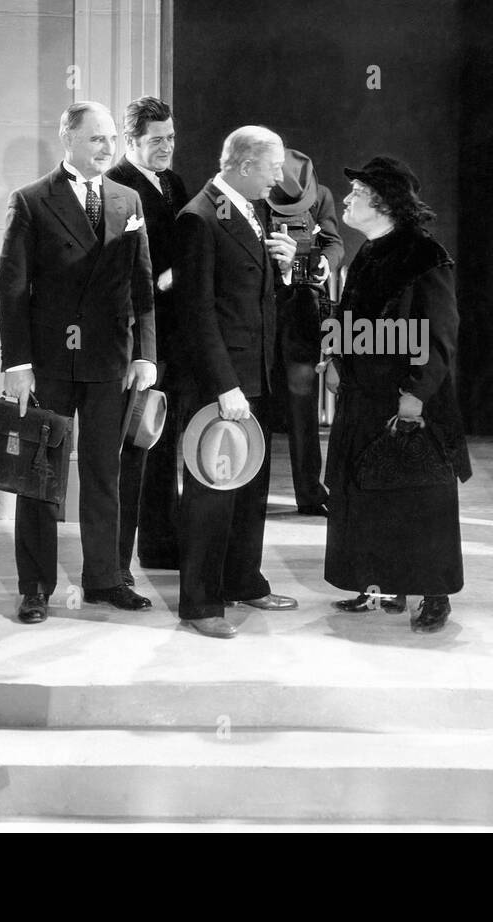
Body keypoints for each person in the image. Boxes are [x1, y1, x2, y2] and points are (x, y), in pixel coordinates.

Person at [0, 101, 158, 623]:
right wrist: (17, 364)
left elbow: (142, 285)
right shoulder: (31, 201)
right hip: (49, 362)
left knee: (103, 472)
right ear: (67, 139)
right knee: (40, 477)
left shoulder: (127, 198)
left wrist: (145, 354)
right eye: (96, 139)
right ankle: (35, 587)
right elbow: (11, 288)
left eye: (111, 139)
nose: (107, 148)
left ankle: (105, 578)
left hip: (109, 361)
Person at [323, 156, 471, 633]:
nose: (346, 200)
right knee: (366, 490)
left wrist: (416, 396)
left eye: (356, 194)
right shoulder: (368, 250)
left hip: (407, 400)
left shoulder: (424, 255)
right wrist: (336, 358)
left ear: (381, 202)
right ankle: (380, 585)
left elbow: (440, 333)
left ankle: (434, 594)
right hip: (364, 394)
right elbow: (352, 315)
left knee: (417, 496)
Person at [173, 125, 301, 638]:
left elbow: (261, 296)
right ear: (245, 166)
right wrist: (224, 384)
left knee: (251, 486)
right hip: (220, 383)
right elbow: (195, 312)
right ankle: (201, 604)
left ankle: (243, 579)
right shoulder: (198, 219)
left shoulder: (254, 210)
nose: (279, 180)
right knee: (212, 490)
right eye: (273, 170)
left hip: (257, 375)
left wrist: (289, 271)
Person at [109, 96, 190, 580]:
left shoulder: (175, 182)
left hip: (175, 336)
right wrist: (160, 279)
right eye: (156, 140)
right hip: (138, 339)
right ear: (131, 142)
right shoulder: (116, 185)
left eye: (171, 138)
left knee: (163, 441)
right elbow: (117, 266)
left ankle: (160, 545)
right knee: (133, 446)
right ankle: (115, 564)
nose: (167, 147)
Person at [267, 148, 344, 516]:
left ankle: (310, 492)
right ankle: (248, 491)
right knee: (256, 405)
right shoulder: (254, 194)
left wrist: (325, 266)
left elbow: (333, 241)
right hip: (261, 313)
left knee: (303, 407)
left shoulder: (323, 196)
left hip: (302, 312)